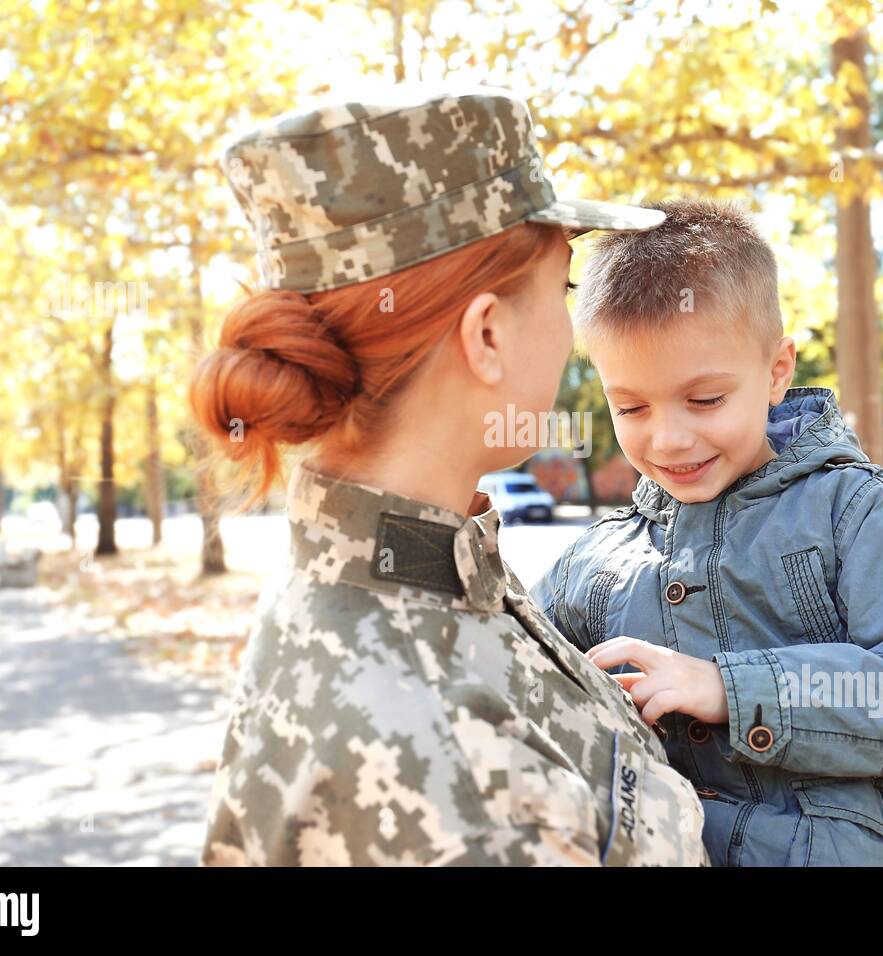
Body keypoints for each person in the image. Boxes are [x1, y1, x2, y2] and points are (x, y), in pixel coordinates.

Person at [190, 85, 709, 866]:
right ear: (489, 333)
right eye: (562, 288)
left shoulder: (425, 569)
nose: (569, 331)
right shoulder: (442, 761)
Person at [530, 197, 883, 866]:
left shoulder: (851, 510)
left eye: (705, 400)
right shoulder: (597, 561)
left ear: (778, 371)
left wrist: (732, 689)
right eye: (629, 405)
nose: (668, 437)